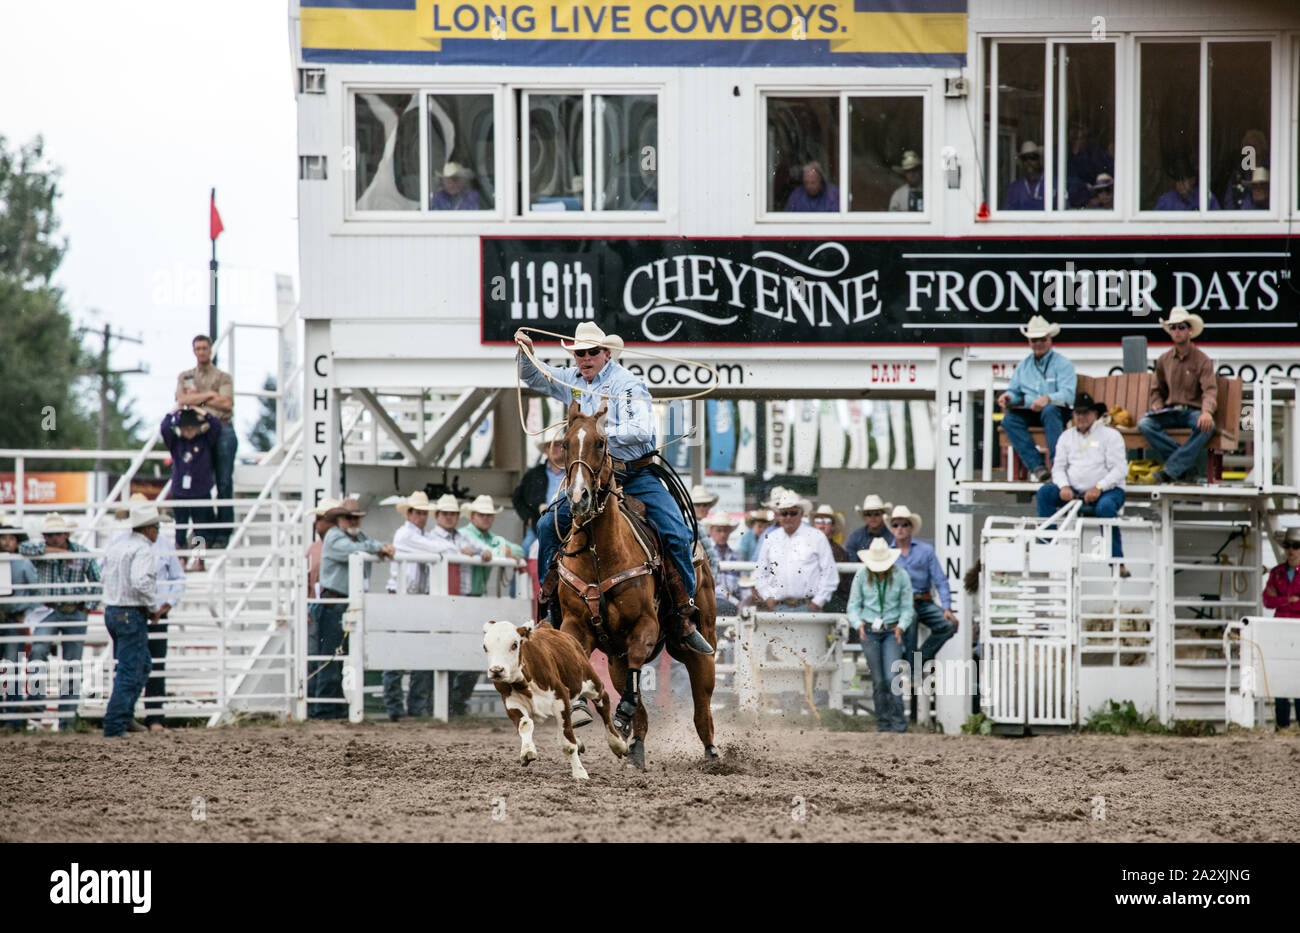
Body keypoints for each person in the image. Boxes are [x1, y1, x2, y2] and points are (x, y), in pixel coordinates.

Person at [516, 322, 713, 655]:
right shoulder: (572, 381)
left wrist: (596, 437)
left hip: (637, 474)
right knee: (548, 525)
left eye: (593, 352)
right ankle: (549, 605)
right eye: (580, 352)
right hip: (594, 479)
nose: (586, 358)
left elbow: (639, 430)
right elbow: (534, 376)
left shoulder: (628, 385)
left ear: (606, 353)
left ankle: (683, 611)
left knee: (676, 533)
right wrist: (524, 353)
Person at [313, 498, 395, 719]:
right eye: (349, 517)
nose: (353, 521)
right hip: (334, 604)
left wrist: (377, 547)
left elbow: (363, 545)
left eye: (355, 518)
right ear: (339, 519)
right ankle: (324, 710)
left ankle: (335, 708)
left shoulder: (356, 537)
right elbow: (352, 550)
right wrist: (380, 547)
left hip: (345, 604)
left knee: (344, 657)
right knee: (332, 658)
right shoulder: (334, 537)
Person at [21, 513, 100, 726]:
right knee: (38, 651)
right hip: (49, 609)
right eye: (49, 535)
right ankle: (37, 704)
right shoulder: (42, 551)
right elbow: (23, 549)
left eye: (56, 534)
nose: (52, 538)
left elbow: (97, 580)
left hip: (74, 610)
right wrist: (55, 552)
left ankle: (65, 719)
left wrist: (86, 607)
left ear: (66, 534)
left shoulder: (82, 553)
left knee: (71, 664)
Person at [101, 504, 171, 737]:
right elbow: (141, 582)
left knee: (140, 665)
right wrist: (153, 608)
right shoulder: (142, 550)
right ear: (148, 529)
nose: (157, 532)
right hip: (131, 613)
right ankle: (115, 723)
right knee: (132, 669)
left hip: (113, 610)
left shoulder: (117, 546)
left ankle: (124, 716)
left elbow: (103, 575)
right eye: (156, 527)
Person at [1036, 392, 1128, 568]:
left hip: (1108, 491)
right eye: (1078, 413)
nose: (1081, 417)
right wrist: (1063, 486)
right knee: (1045, 493)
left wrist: (1099, 487)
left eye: (1086, 412)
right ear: (1073, 415)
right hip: (1074, 491)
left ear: (1095, 414)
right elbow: (1058, 467)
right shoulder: (1066, 436)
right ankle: (1047, 549)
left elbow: (1120, 469)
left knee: (1106, 507)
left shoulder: (1110, 435)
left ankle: (1116, 561)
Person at [381, 491, 446, 721]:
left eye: (423, 513)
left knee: (414, 652)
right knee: (399, 654)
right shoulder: (405, 535)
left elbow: (434, 548)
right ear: (408, 514)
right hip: (403, 597)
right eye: (417, 512)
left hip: (413, 598)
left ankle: (410, 708)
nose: (421, 516)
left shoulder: (416, 536)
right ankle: (399, 709)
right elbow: (438, 549)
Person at [1139, 307, 1217, 484]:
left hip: (1193, 413)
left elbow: (1209, 390)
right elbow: (1156, 390)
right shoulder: (1163, 360)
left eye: (1181, 327)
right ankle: (1185, 467)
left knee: (1208, 426)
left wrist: (1207, 411)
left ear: (1190, 330)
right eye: (1173, 327)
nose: (1177, 331)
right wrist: (1157, 404)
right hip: (1170, 411)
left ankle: (1171, 470)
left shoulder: (1202, 360)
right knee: (1145, 423)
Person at [888, 505, 957, 703]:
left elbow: (940, 580)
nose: (900, 528)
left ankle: (915, 663)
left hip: (923, 600)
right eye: (896, 524)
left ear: (911, 528)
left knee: (949, 625)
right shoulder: (887, 552)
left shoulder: (926, 550)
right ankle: (913, 667)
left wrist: (946, 607)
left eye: (904, 524)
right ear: (892, 528)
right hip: (901, 605)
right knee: (909, 620)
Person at [998, 315, 1077, 483]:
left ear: (1050, 340)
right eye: (1034, 340)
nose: (1038, 343)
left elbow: (1068, 395)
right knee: (1009, 420)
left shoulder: (1062, 364)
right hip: (1031, 412)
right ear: (1029, 342)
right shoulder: (1023, 366)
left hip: (1058, 412)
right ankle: (1037, 467)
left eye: (1041, 339)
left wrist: (1048, 398)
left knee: (1049, 410)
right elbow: (1015, 392)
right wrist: (1008, 397)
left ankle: (1058, 465)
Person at [848, 538, 915, 733]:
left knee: (891, 676)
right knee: (879, 680)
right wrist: (858, 623)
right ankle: (885, 723)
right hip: (869, 630)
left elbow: (907, 607)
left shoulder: (901, 576)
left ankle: (897, 724)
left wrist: (901, 626)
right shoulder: (862, 575)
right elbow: (853, 605)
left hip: (892, 630)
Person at [175, 335, 235, 548]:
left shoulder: (223, 377)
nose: (201, 352)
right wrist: (210, 395)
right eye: (197, 348)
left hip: (221, 429)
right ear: (194, 351)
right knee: (201, 482)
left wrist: (197, 397)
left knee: (224, 482)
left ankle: (223, 532)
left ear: (210, 350)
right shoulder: (186, 376)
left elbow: (227, 404)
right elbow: (182, 400)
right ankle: (206, 533)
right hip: (198, 433)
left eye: (204, 348)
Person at [752, 491, 838, 613]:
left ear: (801, 514)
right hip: (778, 606)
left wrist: (817, 603)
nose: (788, 517)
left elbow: (829, 573)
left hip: (808, 605)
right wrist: (768, 598)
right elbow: (760, 573)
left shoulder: (817, 537)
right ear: (778, 515)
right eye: (784, 513)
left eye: (793, 513)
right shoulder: (770, 539)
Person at [159, 408, 222, 561]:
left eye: (192, 427)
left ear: (197, 427)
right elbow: (164, 427)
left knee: (200, 528)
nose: (188, 431)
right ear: (180, 428)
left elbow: (216, 425)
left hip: (200, 491)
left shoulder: (205, 441)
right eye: (185, 428)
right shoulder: (176, 443)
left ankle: (198, 559)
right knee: (180, 526)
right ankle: (181, 558)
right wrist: (174, 411)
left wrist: (201, 412)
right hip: (181, 491)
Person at [0, 513, 37, 721]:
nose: (6, 542)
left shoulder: (23, 564)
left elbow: (36, 592)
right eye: (3, 538)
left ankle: (13, 715)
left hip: (15, 618)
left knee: (12, 665)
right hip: (6, 617)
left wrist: (27, 614)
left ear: (17, 542)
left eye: (11, 539)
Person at [1262, 529, 1300, 731]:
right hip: (1281, 631)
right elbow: (1267, 600)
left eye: (1296, 546)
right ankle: (1282, 725)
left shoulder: (1276, 574)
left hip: (1294, 629)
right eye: (1288, 546)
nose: (1291, 551)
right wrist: (1290, 600)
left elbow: (1271, 599)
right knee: (1281, 675)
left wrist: (1281, 601)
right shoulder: (1277, 572)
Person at [460, 494, 526, 597]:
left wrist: (506, 550)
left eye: (489, 515)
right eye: (481, 515)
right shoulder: (464, 534)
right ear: (472, 517)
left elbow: (520, 551)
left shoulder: (491, 538)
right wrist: (504, 552)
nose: (485, 518)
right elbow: (486, 551)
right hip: (461, 594)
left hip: (476, 594)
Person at [512, 433, 566, 557]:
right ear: (545, 451)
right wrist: (528, 518)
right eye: (549, 446)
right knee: (525, 550)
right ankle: (522, 577)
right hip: (538, 526)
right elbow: (517, 498)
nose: (553, 448)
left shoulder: (574, 472)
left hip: (569, 526)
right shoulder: (533, 474)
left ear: (564, 448)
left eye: (557, 444)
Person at [811, 504, 853, 614]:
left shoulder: (840, 553)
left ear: (833, 527)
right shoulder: (805, 548)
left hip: (833, 599)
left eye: (827, 520)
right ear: (814, 524)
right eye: (818, 520)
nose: (822, 524)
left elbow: (833, 584)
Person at [1065, 122, 1113, 208]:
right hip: (1065, 207)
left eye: (1082, 128)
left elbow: (1116, 181)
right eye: (1075, 128)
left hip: (1096, 207)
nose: (1078, 133)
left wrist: (1104, 198)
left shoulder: (1098, 155)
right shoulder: (1060, 154)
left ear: (1088, 132)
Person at [703, 513, 741, 615]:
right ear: (711, 532)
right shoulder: (706, 553)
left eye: (725, 530)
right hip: (714, 598)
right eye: (719, 530)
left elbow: (742, 582)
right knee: (726, 608)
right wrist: (737, 602)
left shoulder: (736, 555)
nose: (723, 534)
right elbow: (713, 585)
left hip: (733, 599)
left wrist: (744, 602)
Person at [306, 498, 342, 600]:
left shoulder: (345, 548)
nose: (315, 522)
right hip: (316, 610)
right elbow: (306, 586)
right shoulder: (313, 549)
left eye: (319, 518)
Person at [689, 484, 722, 581]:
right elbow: (714, 561)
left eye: (705, 504)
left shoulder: (687, 523)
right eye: (698, 505)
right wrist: (710, 583)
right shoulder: (696, 526)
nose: (702, 508)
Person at [1154, 164, 1220, 211]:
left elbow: (1217, 222)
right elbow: (1155, 224)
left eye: (1183, 180)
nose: (1180, 184)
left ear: (1192, 180)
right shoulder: (1166, 200)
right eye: (1177, 180)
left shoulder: (1205, 197)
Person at [1003, 142, 1045, 210]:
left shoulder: (1052, 184)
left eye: (1032, 157)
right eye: (1024, 158)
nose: (1028, 162)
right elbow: (1007, 215)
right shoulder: (1015, 188)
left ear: (1039, 160)